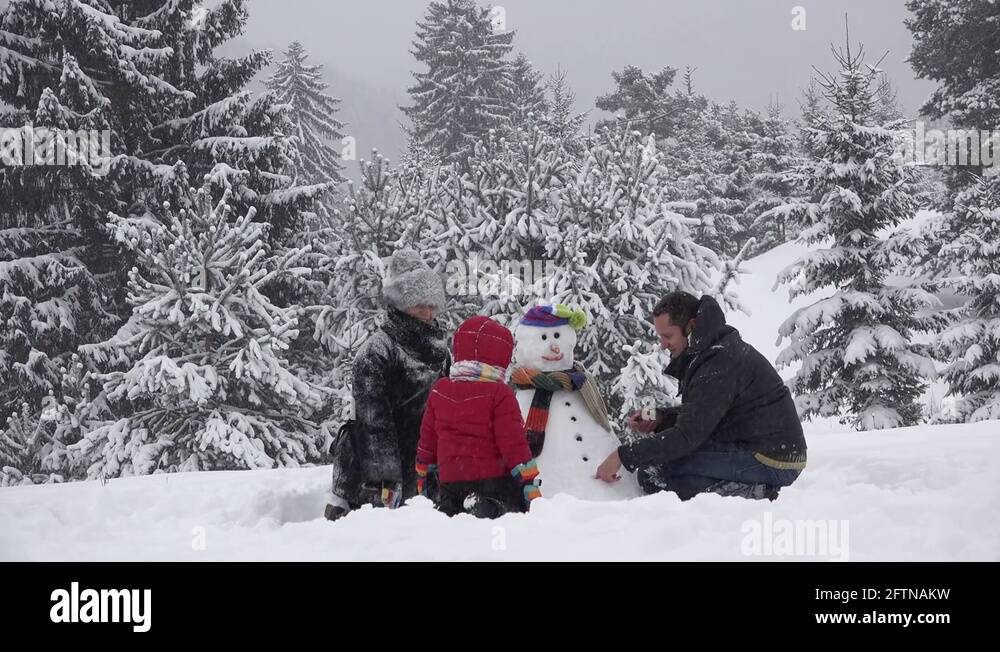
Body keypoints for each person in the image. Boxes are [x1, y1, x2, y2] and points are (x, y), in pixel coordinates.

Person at [595, 291, 807, 501]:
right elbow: (704, 413)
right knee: (656, 473)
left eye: (667, 336)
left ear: (691, 327)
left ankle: (755, 494)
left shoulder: (718, 362)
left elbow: (687, 436)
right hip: (758, 447)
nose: (662, 344)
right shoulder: (712, 352)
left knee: (659, 474)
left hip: (774, 459)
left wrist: (622, 456)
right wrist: (661, 417)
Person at [324, 249, 449, 520]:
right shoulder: (377, 351)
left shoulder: (441, 351)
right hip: (376, 475)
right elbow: (373, 424)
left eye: (432, 304)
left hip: (429, 471)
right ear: (400, 303)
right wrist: (387, 488)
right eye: (419, 304)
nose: (428, 312)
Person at [416, 316, 541, 518]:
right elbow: (513, 445)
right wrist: (529, 484)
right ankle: (489, 507)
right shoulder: (500, 393)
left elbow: (427, 442)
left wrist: (423, 473)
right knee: (512, 505)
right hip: (493, 482)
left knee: (452, 511)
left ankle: (454, 508)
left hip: (451, 482)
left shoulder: (440, 390)